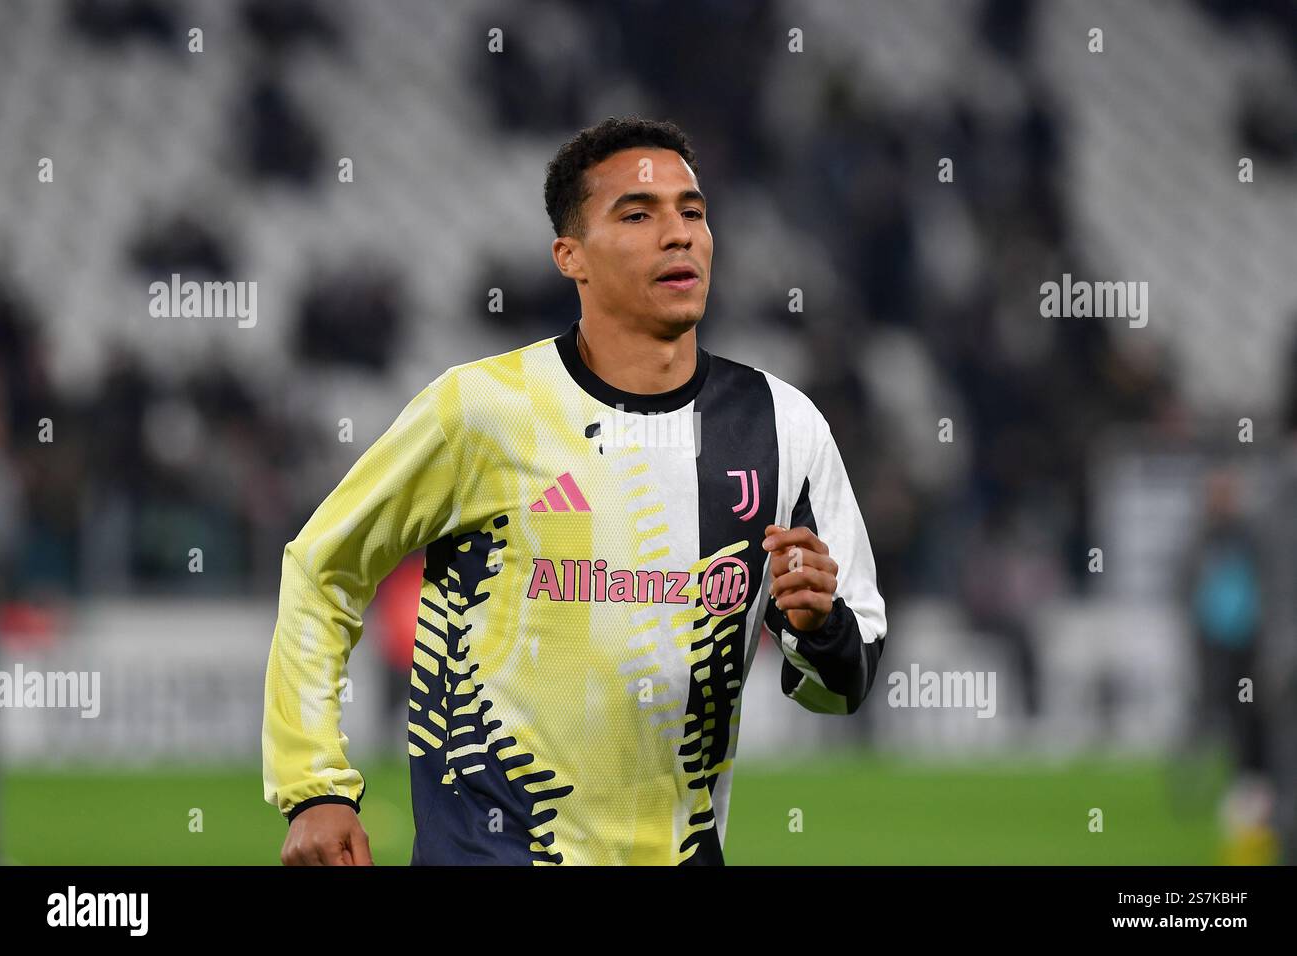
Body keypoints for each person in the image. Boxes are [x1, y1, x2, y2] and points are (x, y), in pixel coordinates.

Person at [262, 116, 888, 865]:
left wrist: (817, 627)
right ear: (571, 257)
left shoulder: (785, 429)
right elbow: (323, 567)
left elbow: (843, 683)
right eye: (638, 215)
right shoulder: (482, 411)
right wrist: (316, 787)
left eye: (693, 212)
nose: (679, 233)